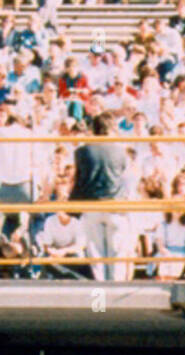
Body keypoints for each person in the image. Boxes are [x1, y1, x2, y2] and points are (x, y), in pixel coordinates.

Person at [70, 111, 135, 281]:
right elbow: (127, 179)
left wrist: (72, 207)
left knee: (96, 254)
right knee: (117, 254)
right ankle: (116, 294)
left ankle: (100, 295)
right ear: (112, 128)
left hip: (92, 206)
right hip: (116, 205)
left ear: (93, 129)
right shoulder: (122, 151)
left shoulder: (82, 151)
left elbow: (78, 180)